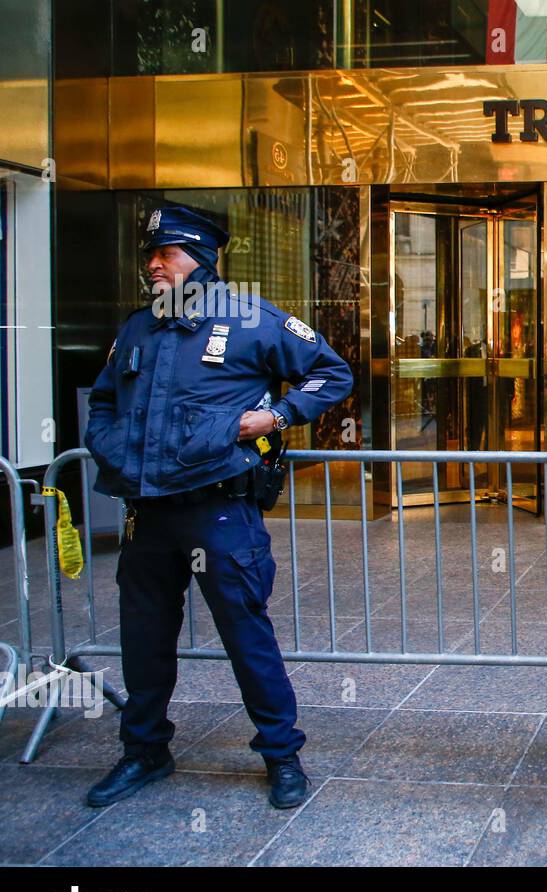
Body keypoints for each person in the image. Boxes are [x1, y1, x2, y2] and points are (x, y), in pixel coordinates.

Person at [83, 205, 354, 809]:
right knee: (143, 639)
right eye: (150, 254)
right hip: (147, 513)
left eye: (167, 254)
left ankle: (282, 755)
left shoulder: (252, 320)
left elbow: (331, 374)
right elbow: (104, 402)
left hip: (219, 511)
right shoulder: (137, 328)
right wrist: (108, 446)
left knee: (245, 634)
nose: (153, 264)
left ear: (202, 258)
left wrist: (277, 416)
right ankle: (144, 751)